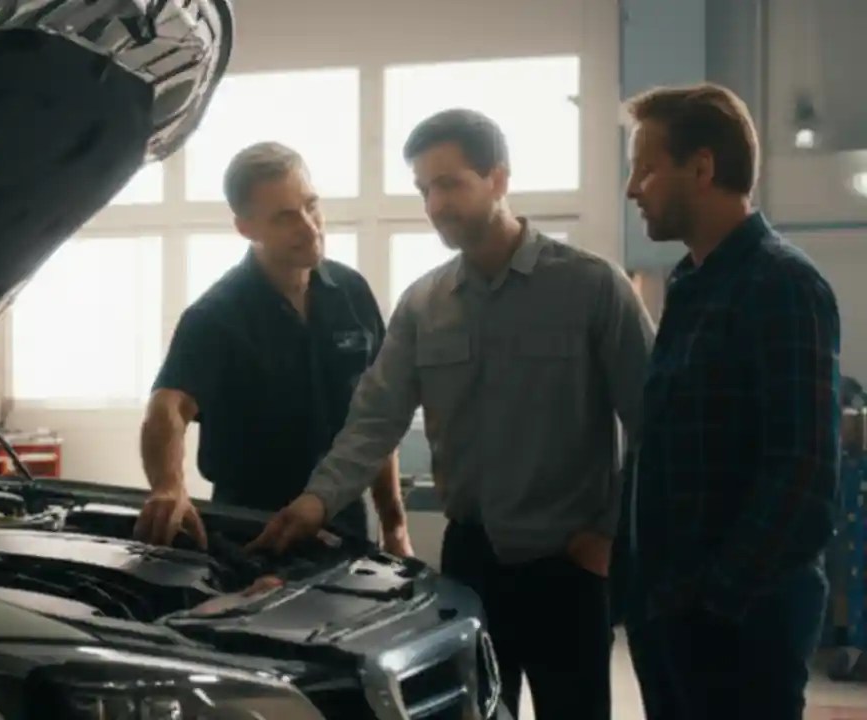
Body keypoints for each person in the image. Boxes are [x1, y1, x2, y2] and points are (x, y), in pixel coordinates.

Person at [245, 109, 655, 720]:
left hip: (567, 566)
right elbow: (372, 421)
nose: (435, 204)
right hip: (470, 568)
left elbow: (652, 424)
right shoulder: (424, 304)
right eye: (424, 189)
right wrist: (315, 503)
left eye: (449, 183)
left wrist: (609, 540)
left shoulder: (593, 289)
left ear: (498, 179)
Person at [618, 82, 840, 720]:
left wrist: (715, 602)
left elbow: (803, 474)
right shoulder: (693, 283)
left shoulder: (783, 285)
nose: (633, 189)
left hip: (740, 629)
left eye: (647, 168)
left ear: (703, 167)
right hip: (673, 618)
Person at [133, 141, 413, 557]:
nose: (309, 226)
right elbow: (168, 409)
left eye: (311, 204)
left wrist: (395, 526)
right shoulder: (215, 317)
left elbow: (376, 419)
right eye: (285, 216)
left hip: (348, 530)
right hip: (251, 535)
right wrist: (169, 485)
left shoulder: (352, 293)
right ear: (245, 227)